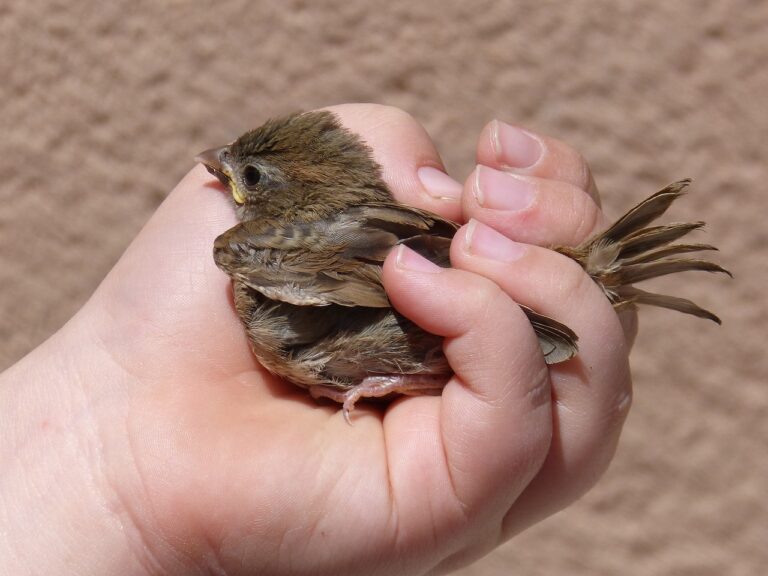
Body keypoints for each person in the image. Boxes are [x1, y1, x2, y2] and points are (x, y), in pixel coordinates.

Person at [0, 104, 634, 575]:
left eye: (247, 174)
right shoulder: (249, 253)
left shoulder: (248, 247)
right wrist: (115, 480)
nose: (217, 167)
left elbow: (403, 283)